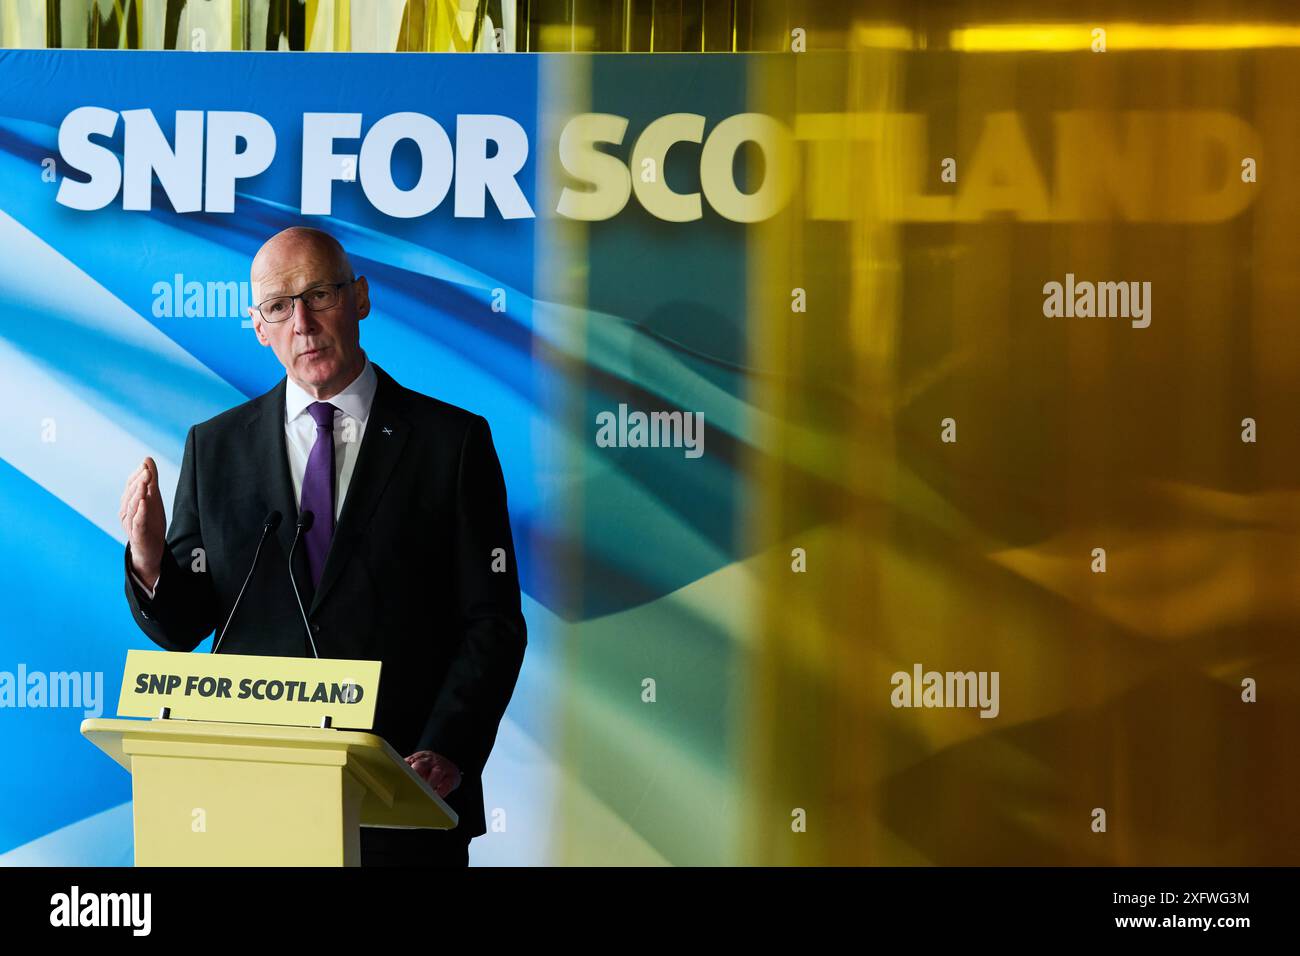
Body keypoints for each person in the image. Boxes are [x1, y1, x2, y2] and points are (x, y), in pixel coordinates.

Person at [118, 226, 526, 866]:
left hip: (404, 800)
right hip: (252, 805)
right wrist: (148, 559)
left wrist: (446, 749)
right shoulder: (215, 449)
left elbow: (492, 624)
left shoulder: (452, 443)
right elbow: (186, 623)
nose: (302, 323)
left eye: (319, 295)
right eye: (278, 307)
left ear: (360, 297)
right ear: (258, 326)